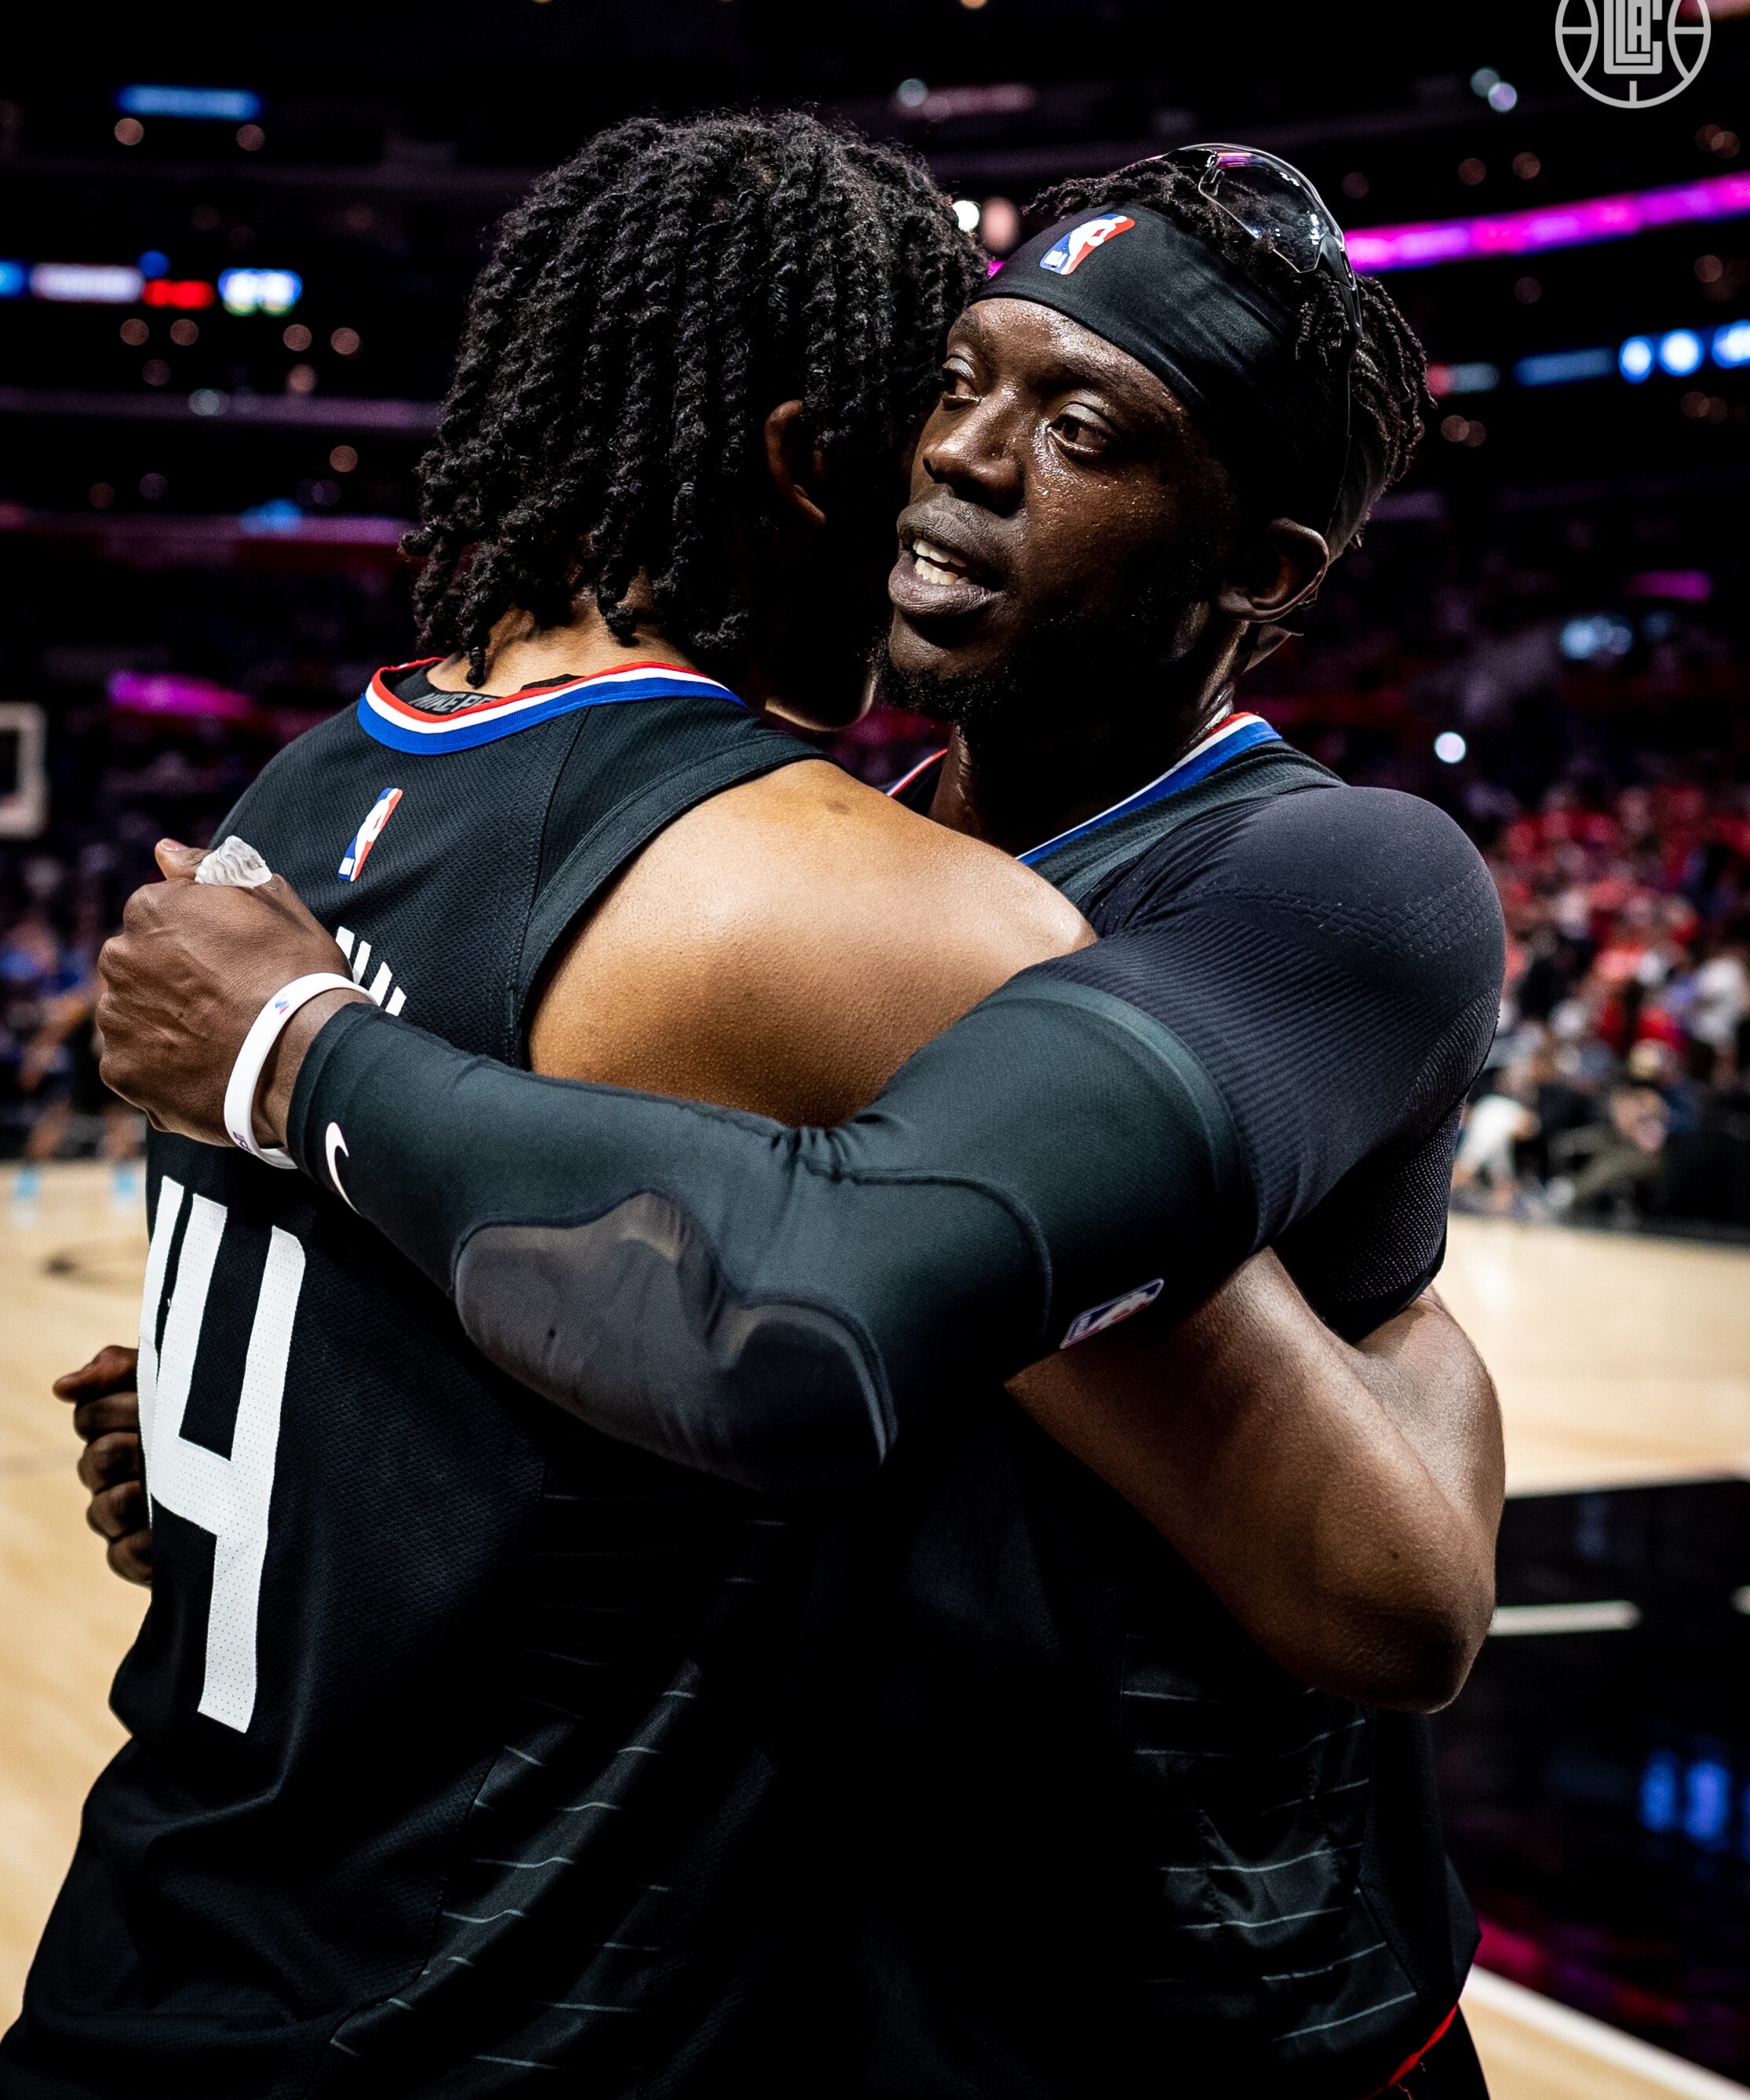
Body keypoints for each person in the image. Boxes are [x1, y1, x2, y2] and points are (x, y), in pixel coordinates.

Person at [74, 145, 1503, 2095]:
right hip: (847, 1978)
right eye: (952, 381)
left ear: (1255, 569)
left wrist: (297, 1053)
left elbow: (1381, 1584)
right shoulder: (840, 856)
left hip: (1207, 2009)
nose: (964, 459)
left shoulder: (1333, 873)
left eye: (1078, 423)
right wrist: (352, 1420)